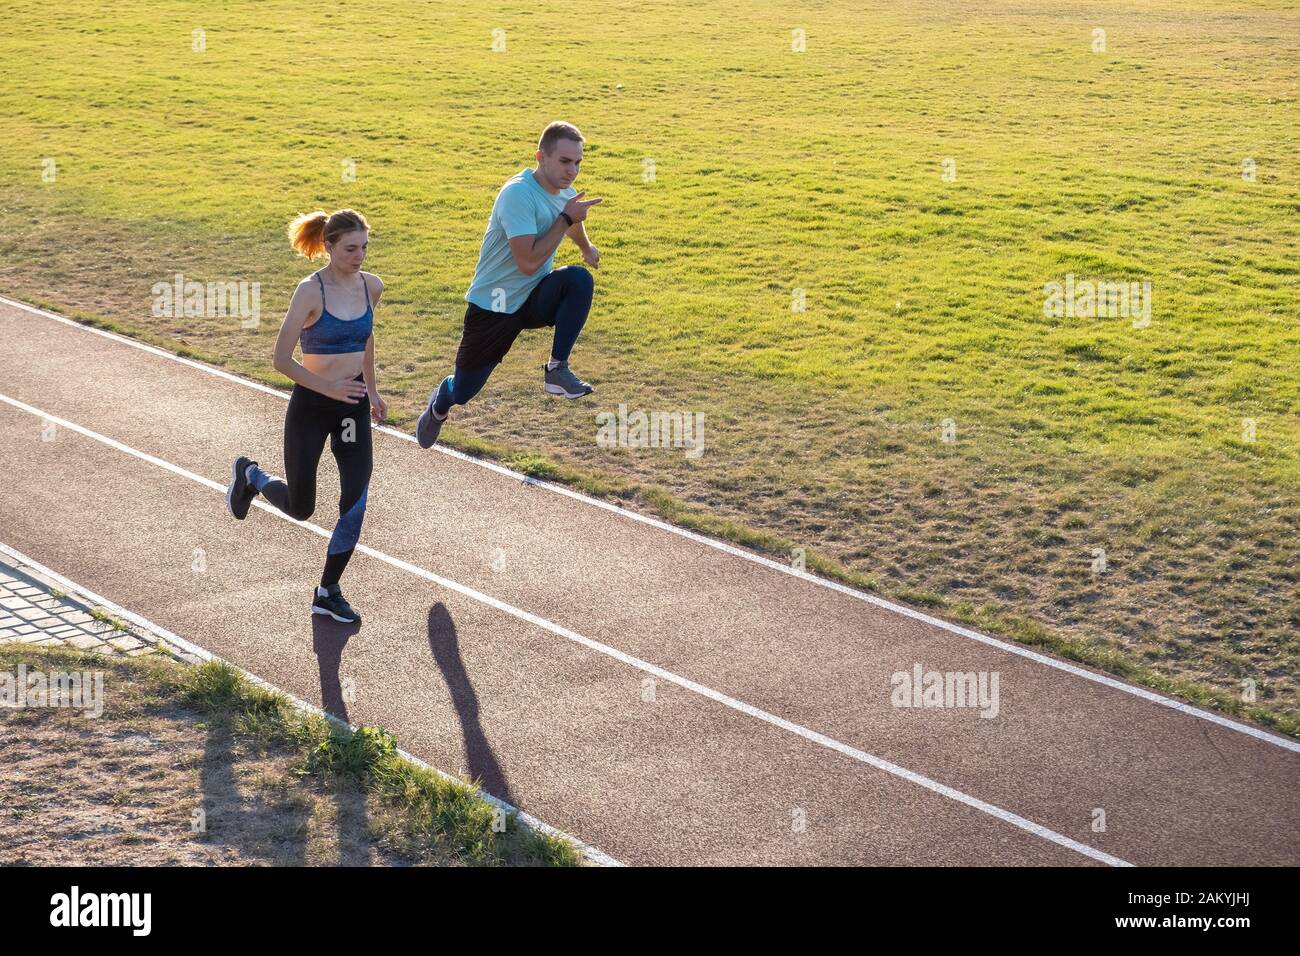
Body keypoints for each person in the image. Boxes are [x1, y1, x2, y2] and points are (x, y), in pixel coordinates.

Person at [225, 208, 387, 624]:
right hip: (312, 406)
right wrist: (329, 387)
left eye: (365, 247)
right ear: (329, 247)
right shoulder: (310, 292)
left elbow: (366, 339)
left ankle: (327, 590)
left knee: (355, 501)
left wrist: (371, 389)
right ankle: (252, 476)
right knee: (301, 507)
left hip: (351, 407)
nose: (360, 256)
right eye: (351, 248)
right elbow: (281, 359)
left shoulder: (372, 286)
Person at [416, 120, 602, 448]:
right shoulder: (518, 194)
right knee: (464, 391)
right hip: (495, 305)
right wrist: (566, 219)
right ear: (540, 157)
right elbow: (527, 262)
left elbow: (571, 223)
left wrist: (585, 248)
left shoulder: (565, 194)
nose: (572, 170)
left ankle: (557, 368)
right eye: (564, 161)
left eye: (578, 162)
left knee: (578, 280)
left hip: (531, 298)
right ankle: (440, 404)